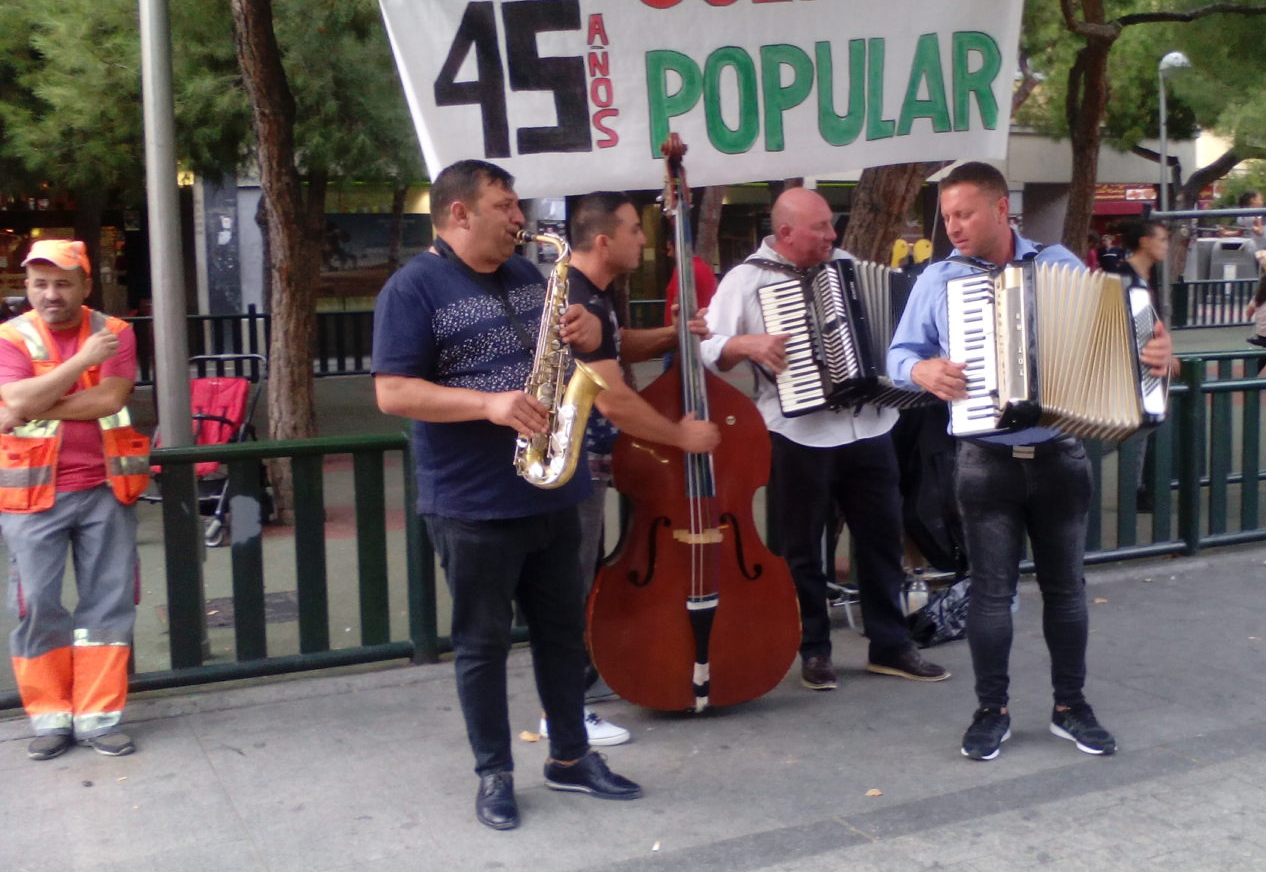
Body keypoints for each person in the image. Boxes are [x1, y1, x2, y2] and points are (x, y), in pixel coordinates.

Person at [373, 161, 698, 831]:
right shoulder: (412, 289)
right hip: (473, 500)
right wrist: (489, 405)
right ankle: (494, 773)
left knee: (561, 632)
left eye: (517, 204)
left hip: (554, 484)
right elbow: (393, 392)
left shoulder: (530, 275)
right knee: (482, 644)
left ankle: (571, 757)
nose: (519, 217)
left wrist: (590, 337)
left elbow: (575, 359)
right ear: (459, 213)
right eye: (504, 206)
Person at [887, 162, 1172, 763]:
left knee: (1066, 591)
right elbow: (898, 355)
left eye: (964, 214)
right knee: (991, 594)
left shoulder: (1059, 264)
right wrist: (922, 369)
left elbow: (1119, 334)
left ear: (1000, 209)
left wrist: (1156, 352)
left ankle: (1071, 707)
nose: (953, 227)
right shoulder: (939, 279)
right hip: (983, 459)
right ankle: (991, 711)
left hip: (1058, 455)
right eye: (947, 216)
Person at [700, 187, 950, 692]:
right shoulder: (746, 279)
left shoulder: (848, 267)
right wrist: (744, 343)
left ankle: (890, 644)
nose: (831, 235)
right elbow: (709, 347)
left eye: (830, 226)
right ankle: (813, 648)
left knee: (881, 540)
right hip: (797, 434)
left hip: (869, 426)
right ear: (786, 232)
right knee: (801, 548)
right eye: (820, 228)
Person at [560, 191, 714, 738]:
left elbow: (618, 346)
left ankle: (579, 682)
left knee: (582, 577)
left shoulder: (595, 293)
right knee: (569, 584)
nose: (644, 240)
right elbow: (612, 399)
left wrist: (675, 334)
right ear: (604, 242)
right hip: (572, 465)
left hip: (589, 464)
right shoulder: (575, 298)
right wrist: (680, 435)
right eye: (633, 230)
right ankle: (564, 714)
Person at [0, 239, 149, 761]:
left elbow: (109, 398)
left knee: (108, 604)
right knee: (38, 605)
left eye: (62, 283)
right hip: (31, 495)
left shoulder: (117, 331)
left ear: (86, 285)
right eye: (40, 283)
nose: (50, 294)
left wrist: (30, 404)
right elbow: (15, 397)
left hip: (106, 488)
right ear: (27, 287)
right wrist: (83, 362)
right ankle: (49, 718)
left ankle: (98, 719)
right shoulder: (11, 336)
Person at [1120, 218, 1181, 512]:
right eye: (1162, 239)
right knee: (1140, 425)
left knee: (1144, 424)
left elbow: (1151, 324)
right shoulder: (1124, 277)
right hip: (1129, 366)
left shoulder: (1144, 276)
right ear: (1144, 241)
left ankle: (1136, 486)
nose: (1166, 246)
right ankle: (1133, 488)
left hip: (1142, 366)